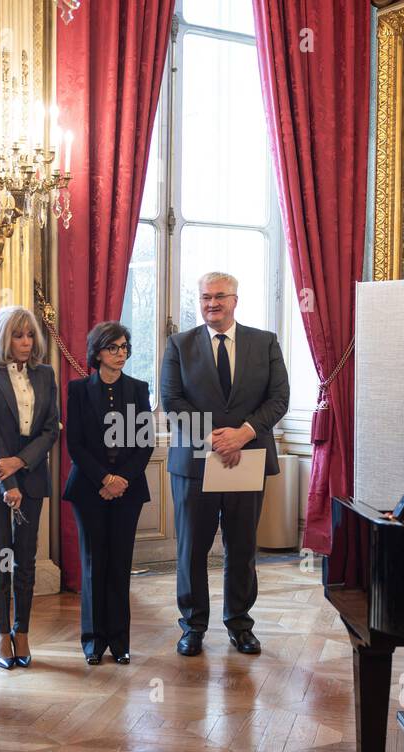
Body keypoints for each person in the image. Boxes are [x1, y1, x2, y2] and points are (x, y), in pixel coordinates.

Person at [160, 271, 289, 657]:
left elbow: (279, 397)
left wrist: (243, 434)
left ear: (235, 300)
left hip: (247, 459)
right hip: (195, 463)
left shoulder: (264, 342)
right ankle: (193, 627)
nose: (211, 303)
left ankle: (240, 625)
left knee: (242, 548)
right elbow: (172, 401)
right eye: (204, 297)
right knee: (192, 550)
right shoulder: (178, 345)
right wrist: (216, 438)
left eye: (219, 296)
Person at [0, 306, 60, 670]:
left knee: (26, 558)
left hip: (33, 475)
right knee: (0, 558)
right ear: (2, 339)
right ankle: (2, 633)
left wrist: (20, 464)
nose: (26, 342)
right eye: (18, 336)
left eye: (29, 335)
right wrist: (7, 480)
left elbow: (52, 428)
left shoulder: (45, 374)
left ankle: (23, 630)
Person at [64, 322, 155, 665]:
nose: (121, 353)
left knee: (119, 564)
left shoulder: (138, 389)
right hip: (89, 490)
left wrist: (121, 481)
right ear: (97, 352)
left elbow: (144, 443)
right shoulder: (78, 390)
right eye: (114, 347)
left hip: (127, 492)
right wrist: (104, 479)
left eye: (124, 347)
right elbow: (75, 443)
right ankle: (93, 641)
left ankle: (119, 642)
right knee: (93, 564)